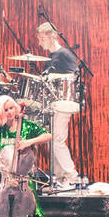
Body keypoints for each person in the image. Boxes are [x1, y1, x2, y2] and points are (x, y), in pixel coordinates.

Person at [35, 21, 80, 188]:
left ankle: (72, 177)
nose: (40, 43)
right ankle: (61, 178)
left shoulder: (64, 55)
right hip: (54, 103)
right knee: (53, 140)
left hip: (64, 102)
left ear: (52, 36)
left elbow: (73, 79)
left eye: (42, 39)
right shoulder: (51, 59)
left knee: (57, 140)